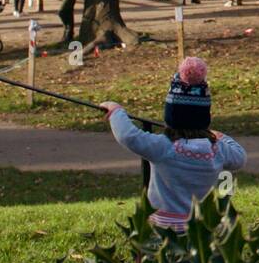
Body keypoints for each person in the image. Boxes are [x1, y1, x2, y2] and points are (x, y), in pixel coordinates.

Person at [102, 57, 246, 232]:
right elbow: (240, 157)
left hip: (163, 233)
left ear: (170, 116)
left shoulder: (164, 148)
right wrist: (220, 136)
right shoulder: (216, 149)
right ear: (205, 118)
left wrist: (116, 111)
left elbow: (128, 136)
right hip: (200, 233)